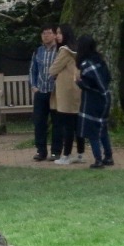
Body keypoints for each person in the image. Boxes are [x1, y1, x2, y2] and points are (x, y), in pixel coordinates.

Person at [76, 34, 115, 169]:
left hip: (93, 100)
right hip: (106, 98)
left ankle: (98, 160)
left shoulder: (86, 64)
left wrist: (80, 82)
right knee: (102, 128)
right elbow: (107, 79)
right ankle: (108, 156)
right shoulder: (99, 60)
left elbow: (93, 84)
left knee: (92, 130)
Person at [48, 25, 83, 165]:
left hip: (66, 93)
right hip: (76, 91)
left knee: (67, 125)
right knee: (77, 125)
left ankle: (66, 155)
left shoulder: (64, 51)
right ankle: (80, 154)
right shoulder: (77, 50)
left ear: (66, 35)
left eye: (59, 33)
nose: (57, 36)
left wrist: (55, 72)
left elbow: (52, 69)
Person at [28, 25, 58, 162]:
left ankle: (56, 151)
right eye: (43, 33)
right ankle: (41, 151)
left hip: (55, 92)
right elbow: (32, 69)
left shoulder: (60, 50)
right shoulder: (38, 51)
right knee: (39, 122)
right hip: (40, 91)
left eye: (49, 33)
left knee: (57, 122)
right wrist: (34, 86)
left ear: (54, 35)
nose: (46, 35)